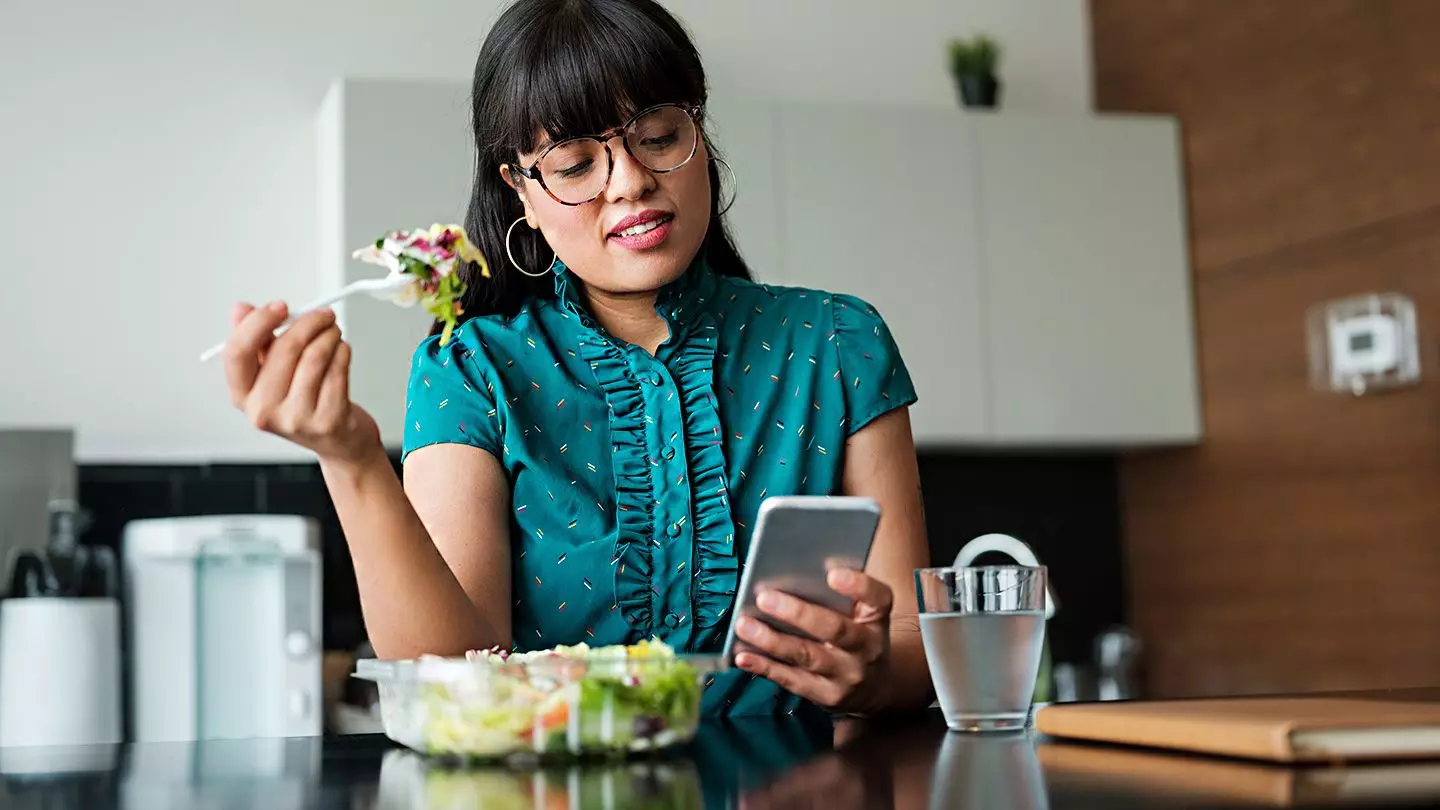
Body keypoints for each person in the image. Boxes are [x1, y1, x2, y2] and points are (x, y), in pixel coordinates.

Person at [220, 0, 931, 718]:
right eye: (575, 164)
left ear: (700, 135)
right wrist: (350, 458)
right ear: (521, 193)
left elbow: (909, 642)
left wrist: (869, 673)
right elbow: (446, 678)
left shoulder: (840, 343)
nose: (629, 183)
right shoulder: (469, 369)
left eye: (657, 136)